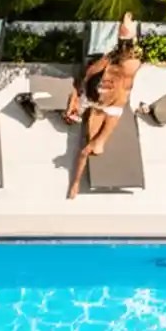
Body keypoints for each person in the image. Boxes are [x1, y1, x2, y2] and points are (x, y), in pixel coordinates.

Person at [65, 12, 143, 200]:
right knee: (124, 74)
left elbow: (80, 84)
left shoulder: (93, 101)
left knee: (104, 76)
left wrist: (73, 105)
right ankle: (127, 38)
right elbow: (84, 154)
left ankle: (126, 38)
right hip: (108, 99)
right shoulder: (124, 72)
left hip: (100, 98)